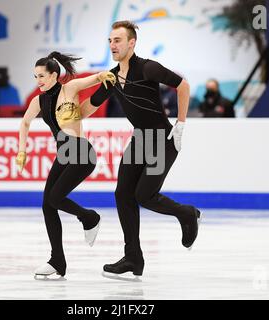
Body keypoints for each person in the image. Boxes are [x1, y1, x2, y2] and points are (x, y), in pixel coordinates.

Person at [81, 21, 201, 279]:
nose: (113, 45)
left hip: (161, 138)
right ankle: (133, 258)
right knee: (122, 194)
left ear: (131, 43)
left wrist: (180, 124)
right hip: (140, 139)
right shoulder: (111, 78)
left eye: (118, 40)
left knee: (145, 195)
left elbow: (183, 86)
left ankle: (187, 213)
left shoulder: (148, 67)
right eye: (110, 40)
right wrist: (66, 111)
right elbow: (88, 107)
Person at [16, 51, 116, 279]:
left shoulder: (68, 89)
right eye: (35, 76)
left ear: (54, 75)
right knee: (47, 205)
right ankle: (57, 261)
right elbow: (24, 122)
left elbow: (95, 78)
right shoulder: (38, 100)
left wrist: (104, 76)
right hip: (64, 154)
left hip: (81, 153)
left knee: (54, 198)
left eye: (41, 76)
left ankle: (89, 217)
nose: (38, 81)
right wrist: (22, 150)